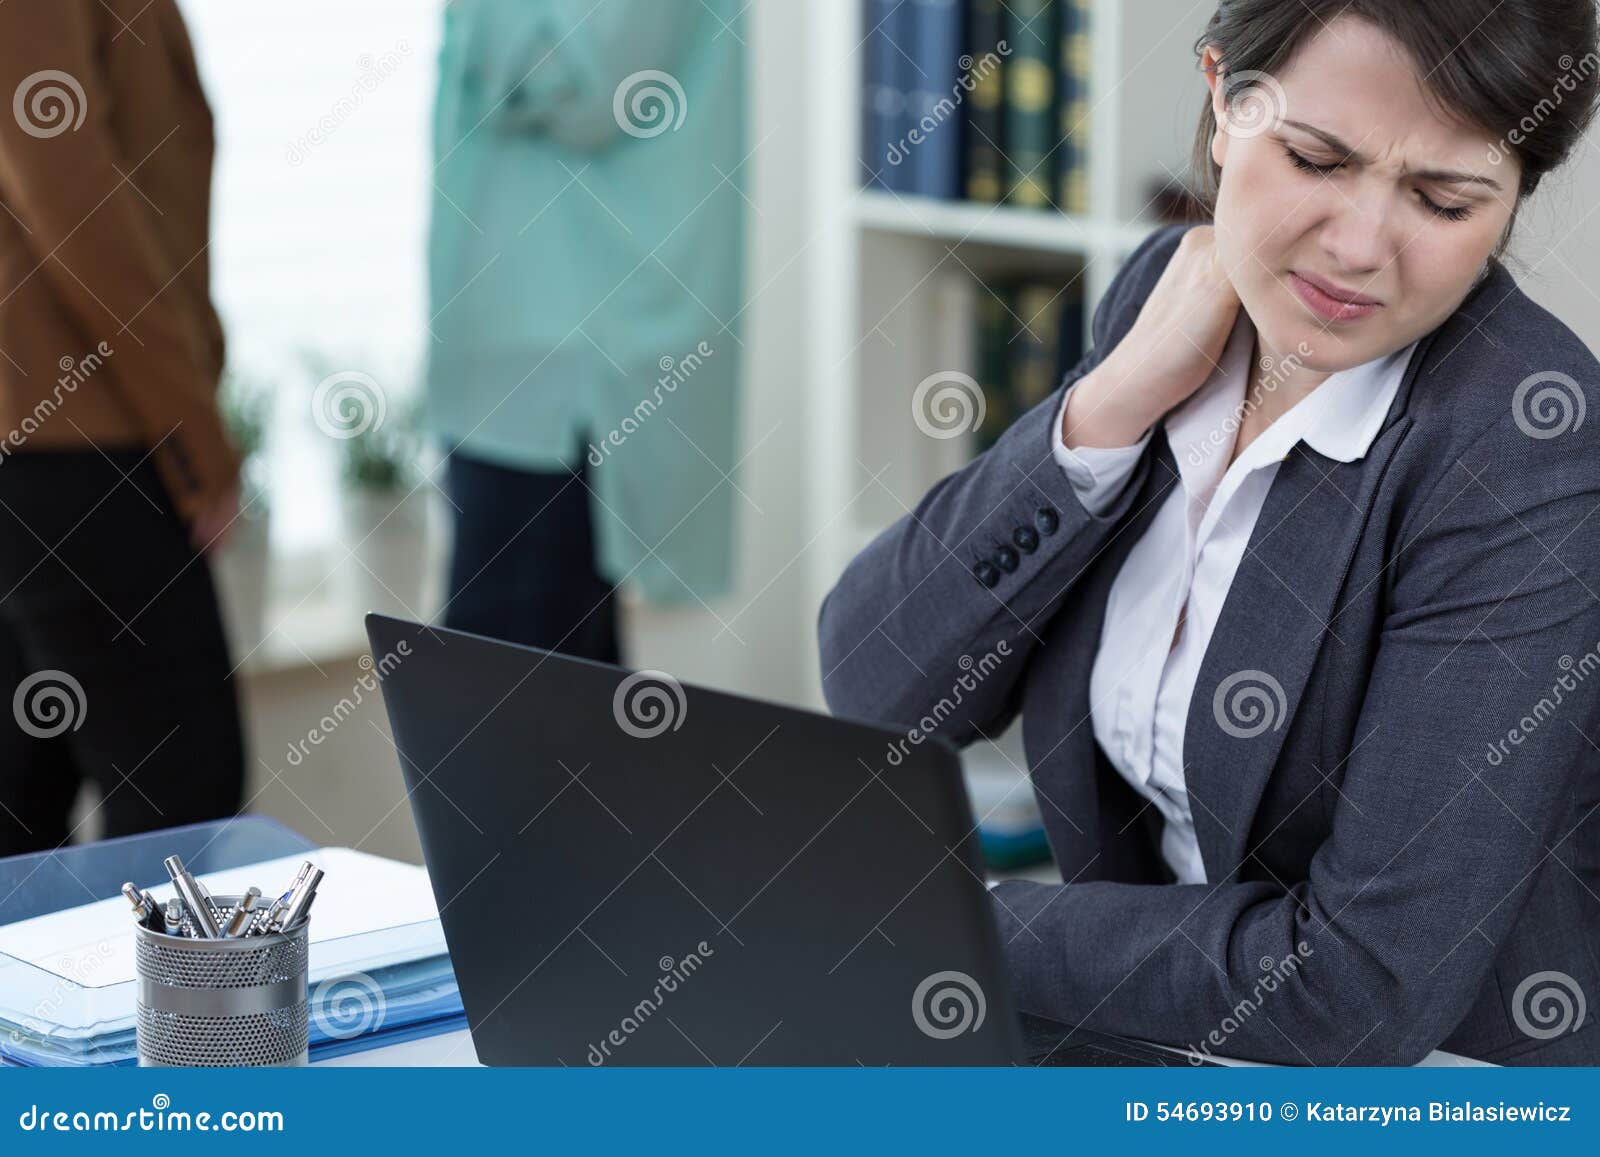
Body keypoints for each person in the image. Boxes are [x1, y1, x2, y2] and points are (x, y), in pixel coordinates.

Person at [819, 0, 1600, 1065]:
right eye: (1316, 159)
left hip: (1442, 1080)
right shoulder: (1163, 291)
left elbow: (1361, 986)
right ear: (1223, 100)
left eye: (1442, 198)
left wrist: (934, 918)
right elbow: (875, 683)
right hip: (1160, 1034)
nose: (1359, 247)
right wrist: (1103, 413)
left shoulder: (1524, 441)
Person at [425, 0, 746, 661]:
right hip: (524, 352)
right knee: (551, 710)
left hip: (566, 364)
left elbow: (582, 78)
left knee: (505, 714)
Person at [0, 1, 244, 857]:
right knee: (183, 805)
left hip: (51, 444)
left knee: (20, 806)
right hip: (80, 444)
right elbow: (66, 190)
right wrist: (196, 441)